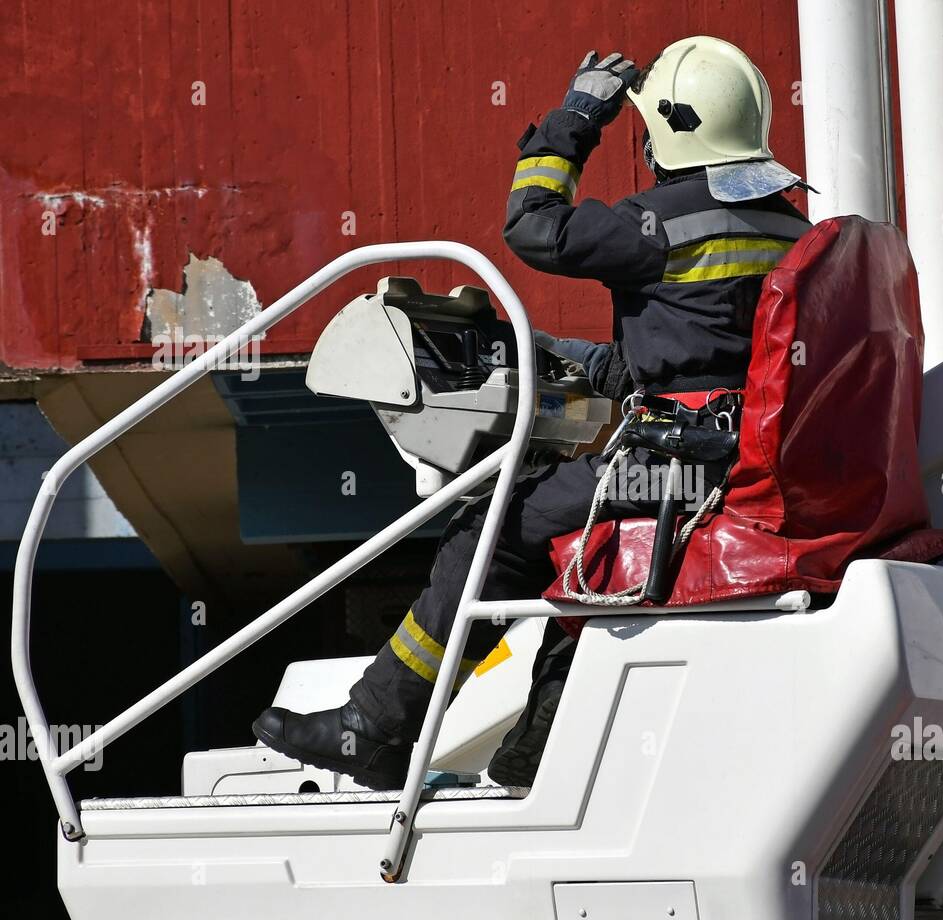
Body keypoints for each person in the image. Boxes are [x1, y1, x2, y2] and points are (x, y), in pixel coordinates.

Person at [252, 36, 811, 789]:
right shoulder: (791, 229)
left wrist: (576, 116)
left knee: (495, 528)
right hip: (733, 462)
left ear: (667, 131)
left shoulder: (658, 223)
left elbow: (532, 223)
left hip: (675, 474)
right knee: (570, 534)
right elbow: (707, 356)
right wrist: (565, 352)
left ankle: (375, 727)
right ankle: (534, 748)